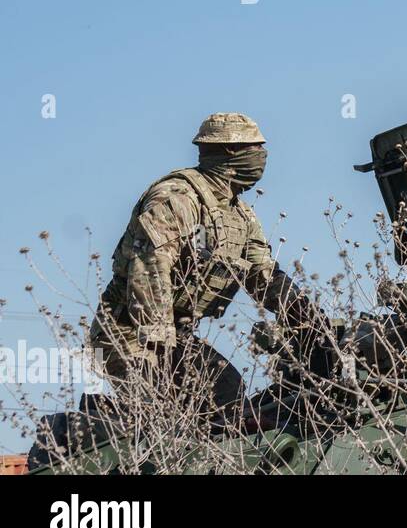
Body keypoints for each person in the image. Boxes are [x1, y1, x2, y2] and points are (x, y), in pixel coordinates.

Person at [87, 113, 329, 424]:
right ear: (229, 153)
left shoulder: (239, 215)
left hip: (176, 335)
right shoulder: (177, 197)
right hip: (128, 334)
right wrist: (160, 344)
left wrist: (306, 317)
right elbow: (150, 268)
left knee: (228, 396)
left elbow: (263, 275)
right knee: (165, 421)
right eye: (254, 148)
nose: (261, 157)